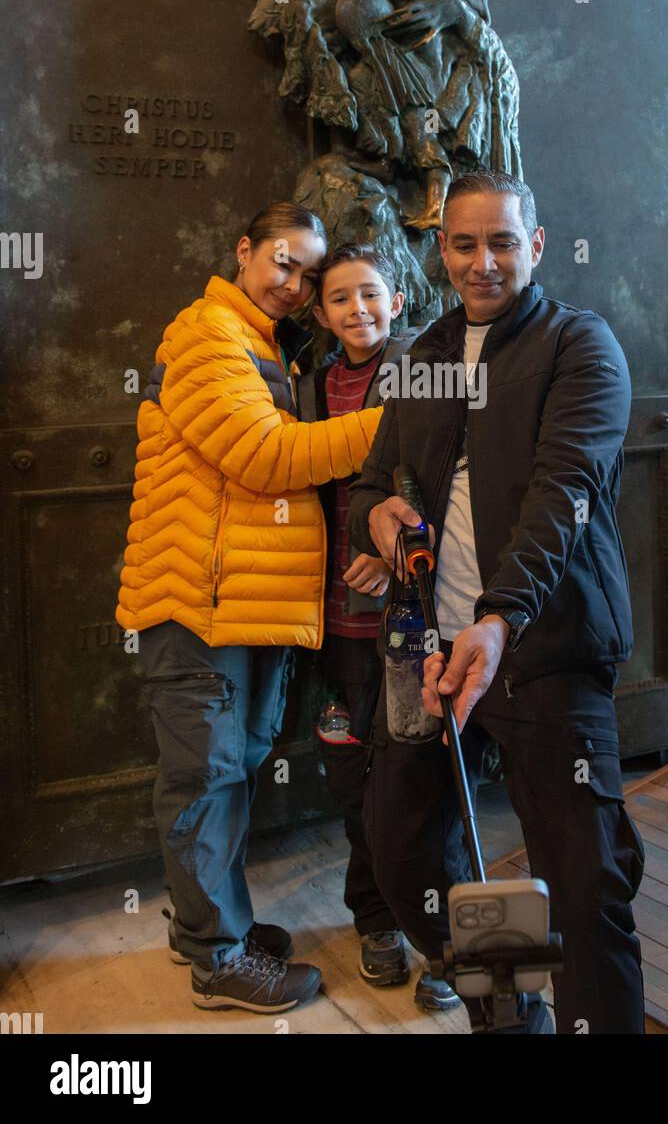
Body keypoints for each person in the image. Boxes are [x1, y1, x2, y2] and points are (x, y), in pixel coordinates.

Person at [348, 169, 646, 1035]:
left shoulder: (578, 346)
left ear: (536, 246)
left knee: (586, 885)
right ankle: (507, 1009)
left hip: (541, 651)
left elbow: (565, 492)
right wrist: (377, 513)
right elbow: (370, 478)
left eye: (503, 241)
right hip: (433, 658)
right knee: (402, 856)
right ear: (440, 252)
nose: (484, 261)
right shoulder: (425, 357)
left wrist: (498, 614)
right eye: (465, 243)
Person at [115, 202, 383, 1014]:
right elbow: (265, 457)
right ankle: (216, 958)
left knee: (228, 769)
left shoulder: (261, 343)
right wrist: (400, 425)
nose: (295, 284)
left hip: (242, 604)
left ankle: (207, 926)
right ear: (245, 251)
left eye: (309, 274)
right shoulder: (205, 335)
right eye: (283, 261)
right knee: (206, 775)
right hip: (200, 602)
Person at [297, 243, 458, 1010]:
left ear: (397, 298)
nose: (357, 310)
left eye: (370, 294)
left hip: (406, 617)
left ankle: (447, 940)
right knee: (349, 777)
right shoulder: (309, 387)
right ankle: (375, 922)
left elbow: (446, 484)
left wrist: (386, 548)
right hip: (332, 624)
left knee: (423, 781)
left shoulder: (423, 370)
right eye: (338, 299)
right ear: (320, 313)